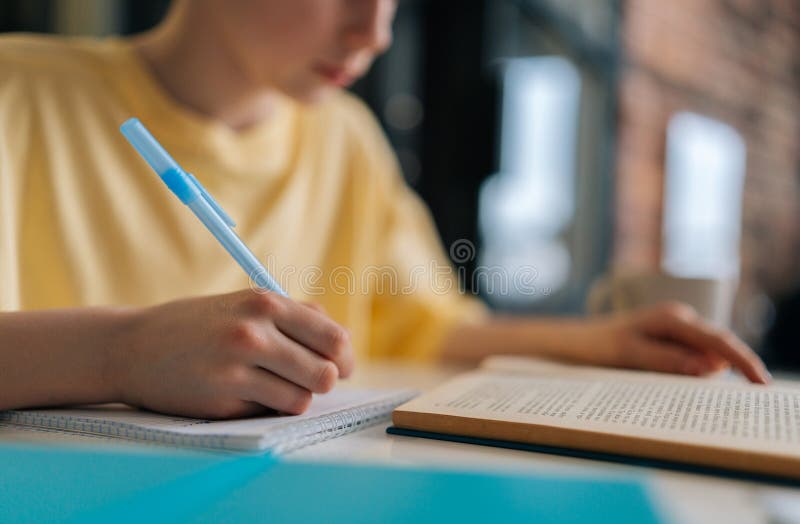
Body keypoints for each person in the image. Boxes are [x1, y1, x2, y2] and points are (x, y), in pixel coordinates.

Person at [0, 0, 769, 420]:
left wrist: (602, 341)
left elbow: (428, 326)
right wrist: (122, 352)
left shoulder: (347, 141)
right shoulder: (19, 93)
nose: (372, 31)